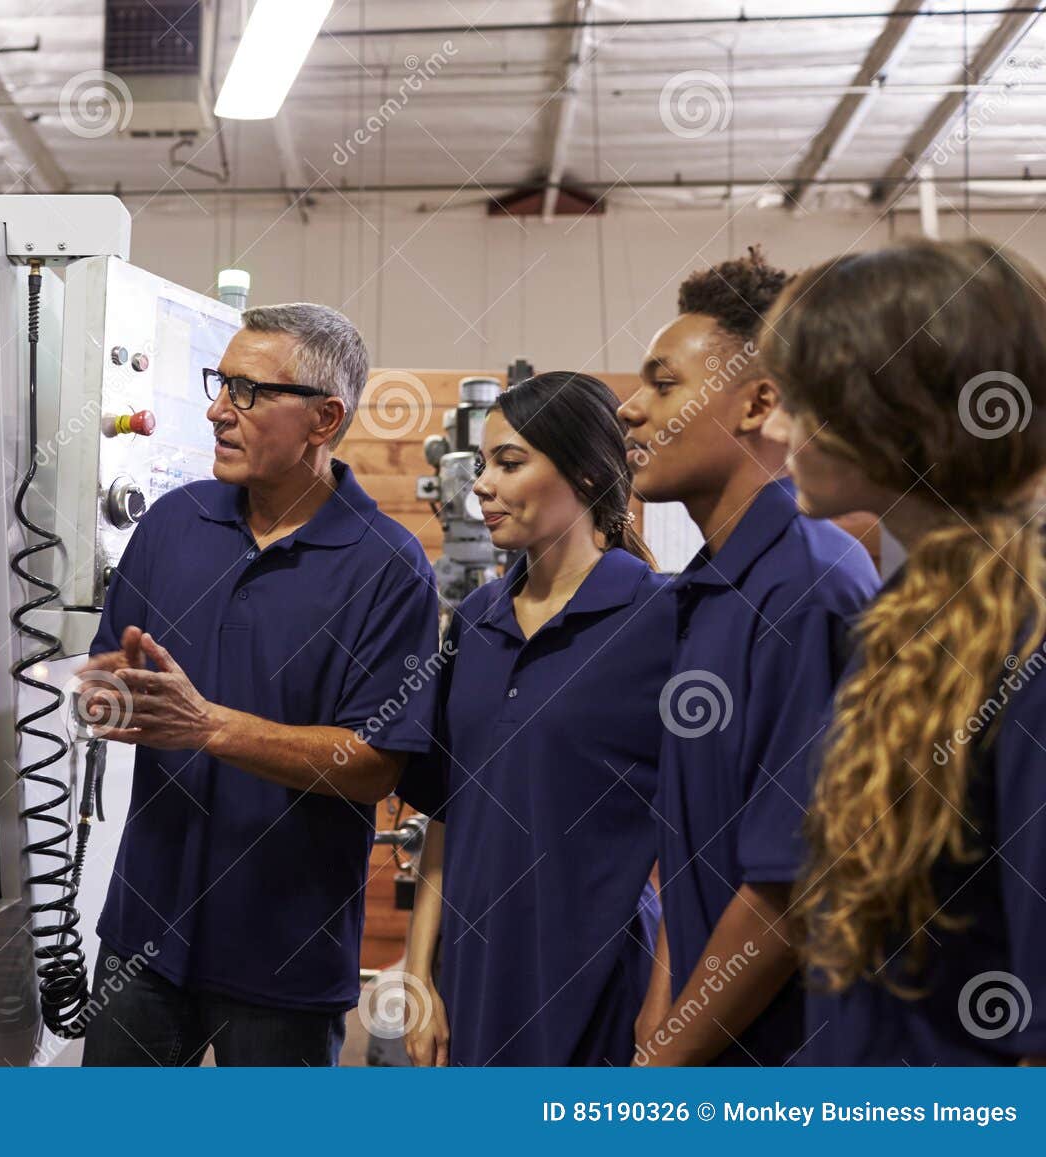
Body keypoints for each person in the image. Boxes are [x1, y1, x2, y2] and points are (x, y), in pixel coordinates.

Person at [74, 303, 441, 1066]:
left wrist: (208, 725)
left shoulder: (388, 566)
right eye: (219, 382)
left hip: (283, 954)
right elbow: (106, 678)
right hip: (143, 936)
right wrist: (100, 698)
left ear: (324, 417)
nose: (217, 409)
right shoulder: (173, 524)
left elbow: (375, 763)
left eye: (246, 391)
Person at [761, 239, 1046, 1065]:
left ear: (895, 417)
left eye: (806, 403)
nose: (778, 426)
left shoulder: (1023, 644)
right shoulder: (906, 619)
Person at [616, 248, 879, 1065]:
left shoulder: (809, 583)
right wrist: (656, 1014)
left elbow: (789, 889)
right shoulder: (707, 589)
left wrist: (663, 1064)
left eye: (663, 384)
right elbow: (697, 846)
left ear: (757, 401)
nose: (630, 408)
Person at [398, 371, 675, 1066]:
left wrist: (667, 1005)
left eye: (510, 463)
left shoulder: (662, 618)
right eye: (484, 463)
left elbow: (698, 836)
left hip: (599, 991)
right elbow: (445, 810)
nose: (481, 485)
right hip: (472, 983)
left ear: (584, 474)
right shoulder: (476, 620)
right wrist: (416, 972)